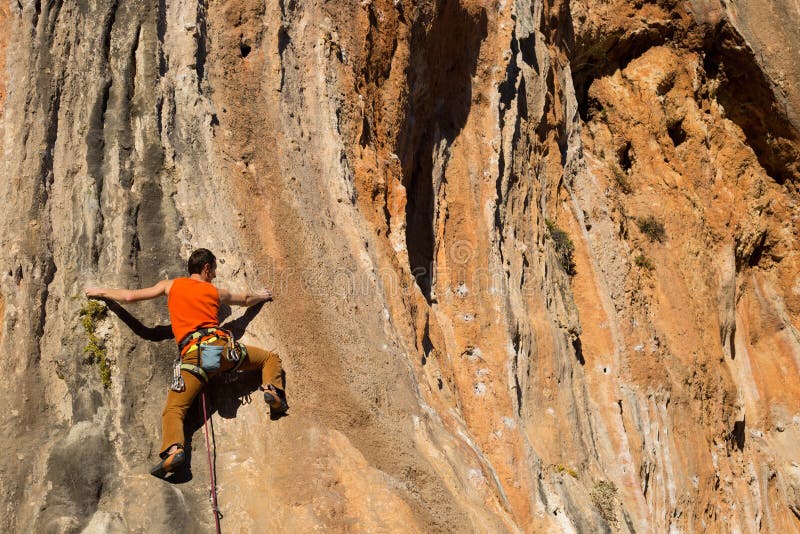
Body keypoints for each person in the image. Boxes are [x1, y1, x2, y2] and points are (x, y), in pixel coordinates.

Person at [85, 248, 287, 478]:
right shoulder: (214, 291)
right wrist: (263, 295)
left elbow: (131, 297)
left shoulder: (170, 285)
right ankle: (273, 391)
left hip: (193, 357)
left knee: (174, 409)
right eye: (214, 270)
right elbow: (246, 301)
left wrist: (101, 291)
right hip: (221, 351)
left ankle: (174, 450)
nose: (215, 275)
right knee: (270, 358)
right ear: (206, 268)